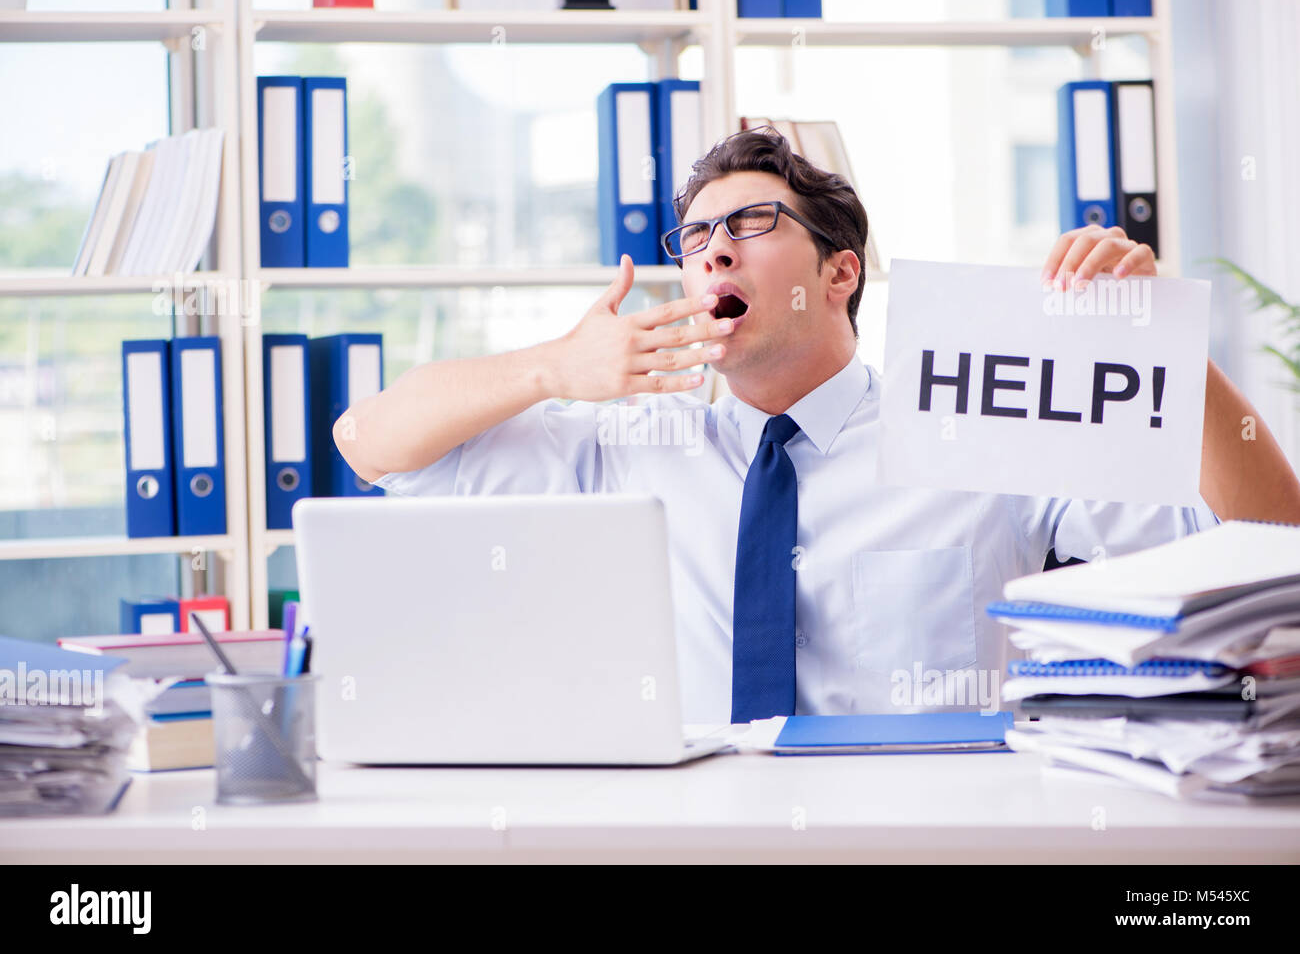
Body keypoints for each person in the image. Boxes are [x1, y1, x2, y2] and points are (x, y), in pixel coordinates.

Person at [333, 128, 1300, 724]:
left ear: (839, 274)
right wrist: (552, 369)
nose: (714, 251)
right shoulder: (628, 443)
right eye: (698, 238)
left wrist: (1166, 349)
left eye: (751, 224)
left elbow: (1269, 549)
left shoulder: (978, 416)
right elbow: (370, 444)